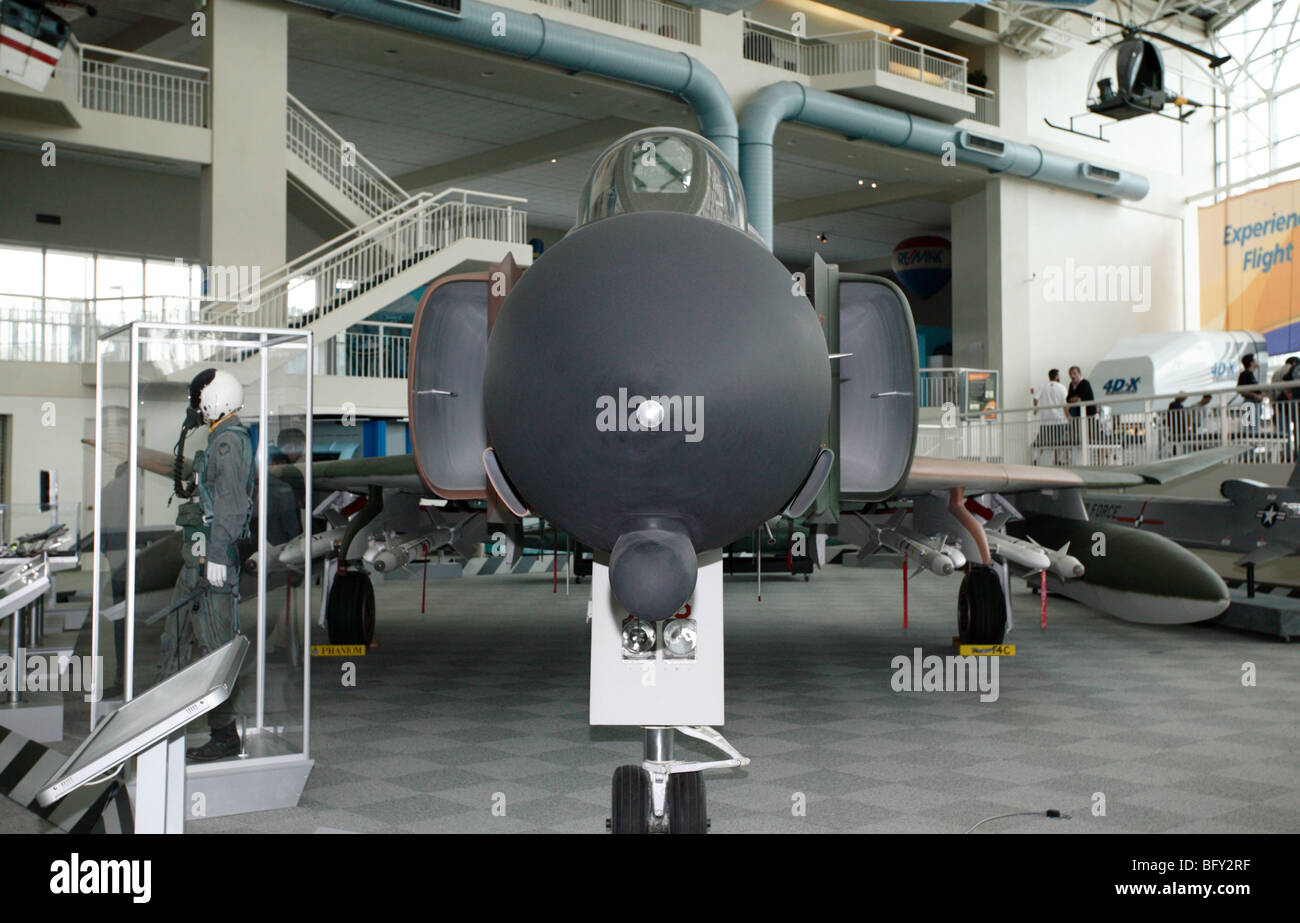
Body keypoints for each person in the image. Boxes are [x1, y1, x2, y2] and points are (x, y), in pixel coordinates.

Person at [156, 368, 255, 762]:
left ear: (213, 401)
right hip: (195, 560)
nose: (194, 408)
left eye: (198, 399)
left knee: (214, 648)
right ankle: (159, 724)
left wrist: (216, 556)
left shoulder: (230, 442)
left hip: (212, 563)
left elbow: (233, 504)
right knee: (174, 640)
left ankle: (225, 735)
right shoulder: (218, 439)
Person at [1031, 369, 1069, 463]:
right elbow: (1065, 403)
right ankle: (1057, 461)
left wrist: (1035, 409)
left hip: (1046, 420)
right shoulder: (1062, 387)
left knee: (1043, 442)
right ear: (1057, 377)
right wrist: (1068, 416)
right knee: (1059, 443)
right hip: (1059, 420)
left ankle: (1039, 460)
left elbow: (1035, 398)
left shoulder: (1043, 386)